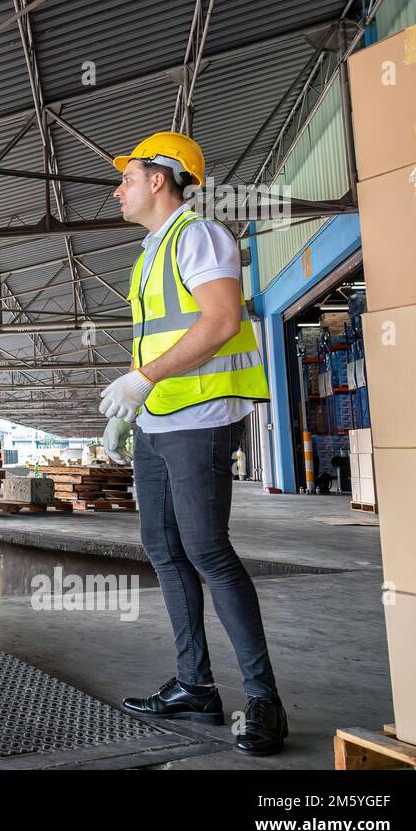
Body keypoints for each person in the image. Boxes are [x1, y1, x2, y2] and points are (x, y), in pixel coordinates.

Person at [100, 132, 285, 756]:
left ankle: (263, 699)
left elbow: (222, 320)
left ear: (160, 180)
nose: (118, 187)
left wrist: (144, 378)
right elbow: (159, 338)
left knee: (207, 549)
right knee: (163, 546)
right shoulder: (149, 254)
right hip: (159, 420)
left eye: (129, 176)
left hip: (199, 418)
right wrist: (132, 406)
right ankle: (196, 686)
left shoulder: (199, 236)